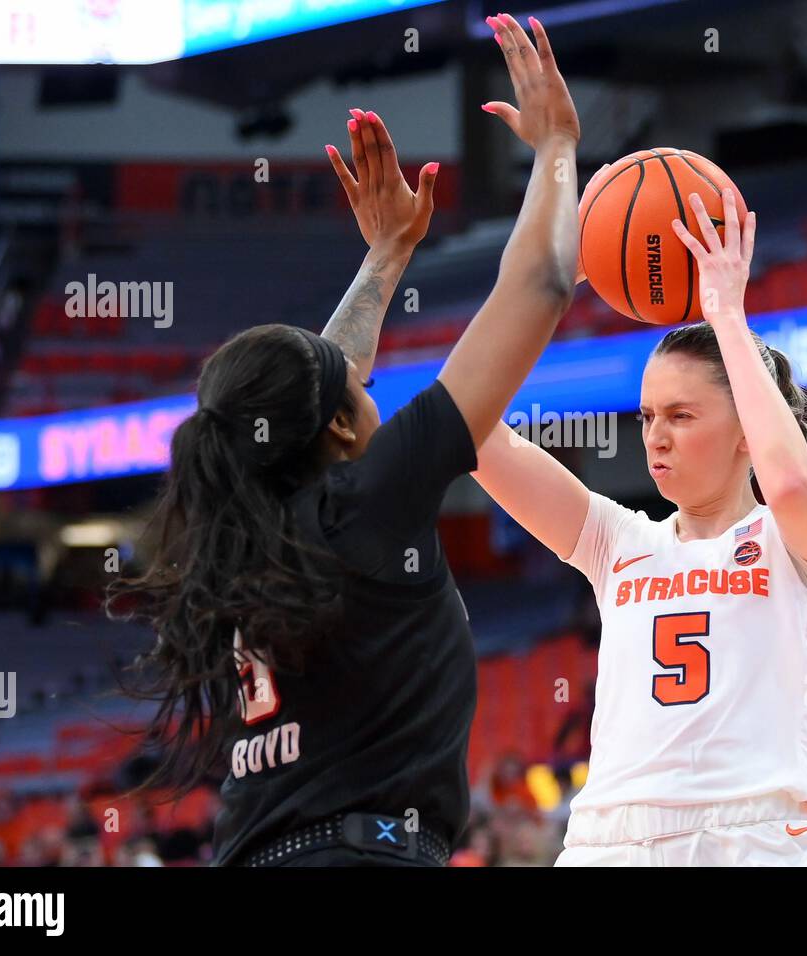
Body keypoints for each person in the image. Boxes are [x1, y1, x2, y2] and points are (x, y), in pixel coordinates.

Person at [107, 13, 580, 867]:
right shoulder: (365, 504)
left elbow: (313, 386)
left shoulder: (245, 540)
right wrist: (552, 151)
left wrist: (387, 256)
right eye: (358, 390)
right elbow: (542, 284)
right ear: (332, 425)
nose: (368, 386)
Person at [470, 188, 807, 865]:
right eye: (648, 418)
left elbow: (789, 480)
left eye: (681, 416)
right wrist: (539, 291)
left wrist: (724, 311)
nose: (655, 438)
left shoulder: (794, 541)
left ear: (748, 430)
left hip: (749, 841)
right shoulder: (618, 541)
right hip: (610, 842)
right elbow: (472, 431)